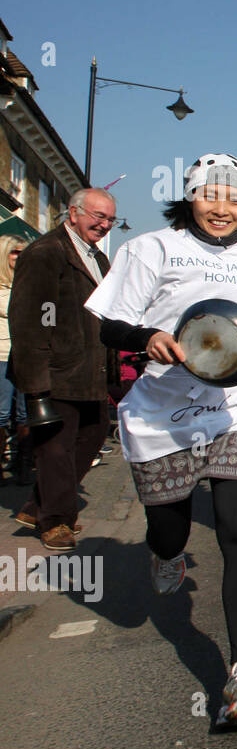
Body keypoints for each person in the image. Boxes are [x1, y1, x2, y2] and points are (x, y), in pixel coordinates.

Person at [85, 153, 237, 726]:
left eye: (236, 198)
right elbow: (108, 321)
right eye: (212, 195)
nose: (224, 207)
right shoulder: (151, 249)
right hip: (164, 410)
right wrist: (150, 335)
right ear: (189, 197)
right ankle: (164, 551)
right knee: (170, 524)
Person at [8, 188, 118, 550]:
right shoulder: (45, 253)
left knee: (94, 433)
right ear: (73, 213)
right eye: (97, 217)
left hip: (88, 370)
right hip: (55, 370)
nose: (103, 225)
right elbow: (29, 319)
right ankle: (56, 521)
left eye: (109, 220)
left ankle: (36, 506)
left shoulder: (97, 259)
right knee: (55, 447)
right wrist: (36, 384)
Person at [0, 235, 31, 485]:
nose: (19, 257)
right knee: (1, 413)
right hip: (1, 355)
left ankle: (23, 463)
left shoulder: (29, 284)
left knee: (24, 414)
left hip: (25, 355)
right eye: (14, 252)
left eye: (23, 253)